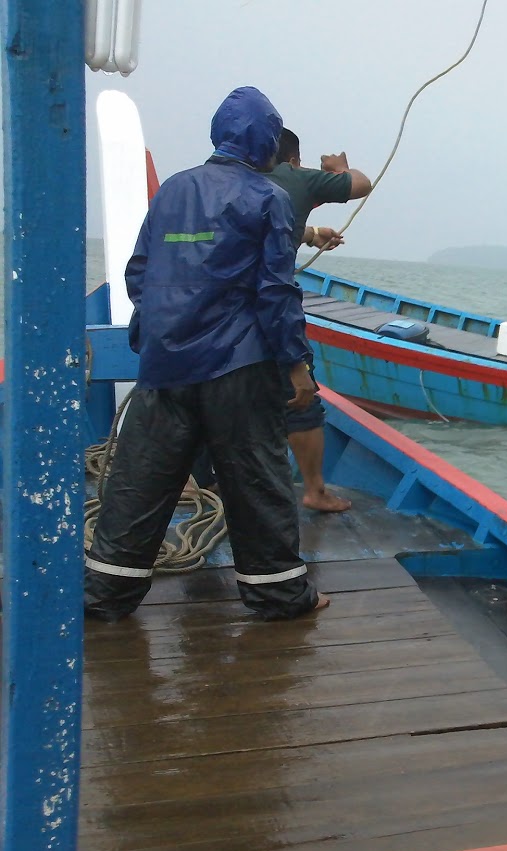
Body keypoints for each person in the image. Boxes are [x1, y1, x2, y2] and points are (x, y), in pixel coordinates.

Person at [83, 86, 327, 623]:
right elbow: (275, 292)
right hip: (238, 368)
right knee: (256, 480)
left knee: (139, 481)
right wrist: (295, 365)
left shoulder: (173, 190)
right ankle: (280, 597)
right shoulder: (269, 199)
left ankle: (105, 595)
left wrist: (158, 331)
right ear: (266, 141)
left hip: (166, 366)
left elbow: (139, 272)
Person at [265, 127, 373, 512]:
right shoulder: (294, 176)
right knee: (302, 396)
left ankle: (196, 483)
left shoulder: (236, 178)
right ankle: (314, 490)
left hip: (214, 314)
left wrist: (309, 234)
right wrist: (340, 170)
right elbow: (362, 184)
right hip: (269, 305)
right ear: (294, 160)